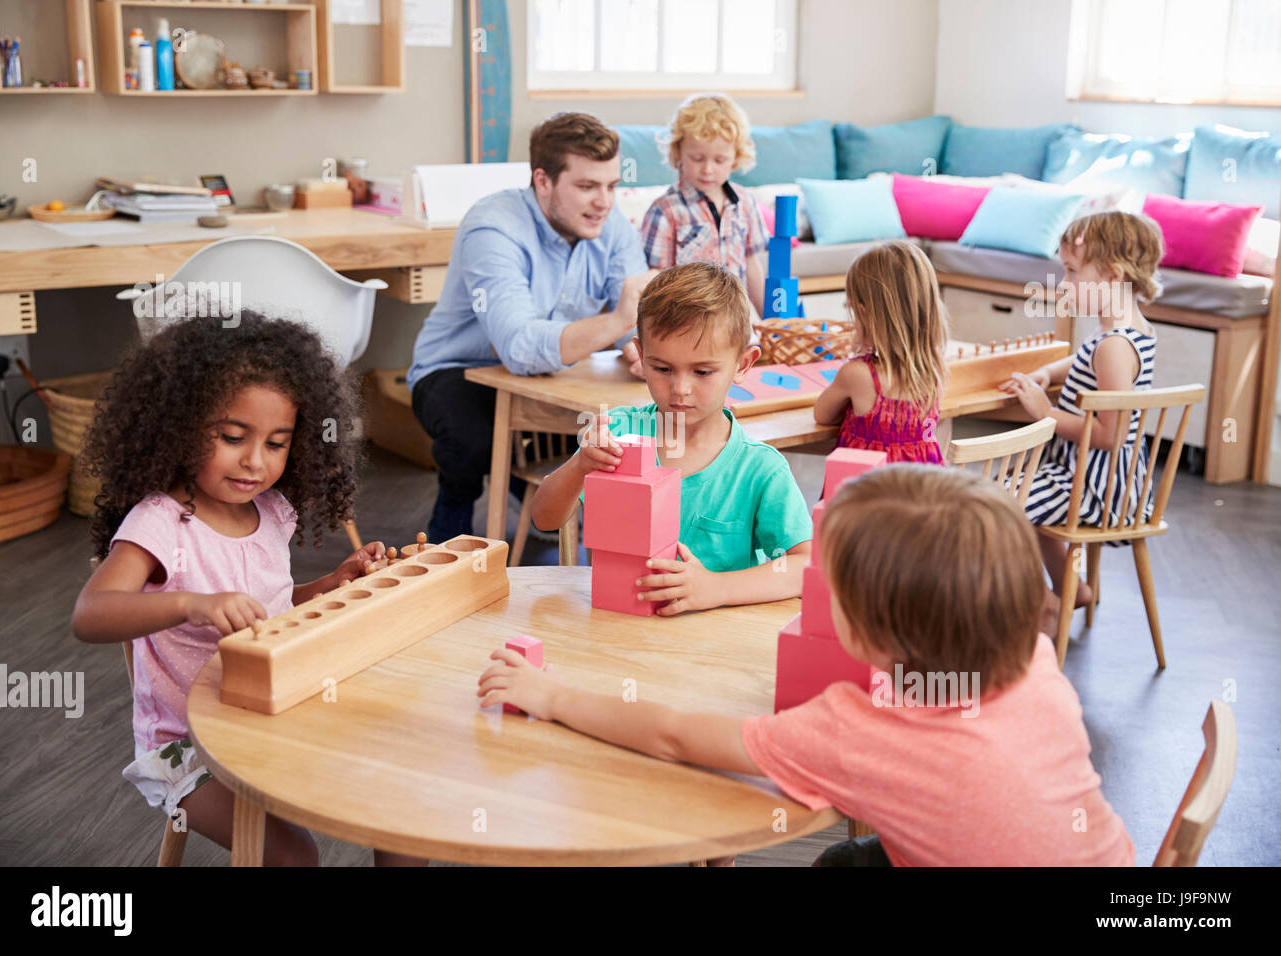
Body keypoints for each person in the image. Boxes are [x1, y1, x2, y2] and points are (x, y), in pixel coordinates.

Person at [478, 465, 1136, 866]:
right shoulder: (1033, 663)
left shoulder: (860, 730)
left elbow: (676, 735)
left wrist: (551, 695)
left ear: (865, 625)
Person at [71, 313, 421, 866]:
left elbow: (272, 611)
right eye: (233, 437)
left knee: (404, 805)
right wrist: (189, 603)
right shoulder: (160, 521)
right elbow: (89, 615)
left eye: (277, 443)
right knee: (293, 859)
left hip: (277, 707)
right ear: (180, 425)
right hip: (190, 748)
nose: (255, 461)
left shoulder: (271, 511)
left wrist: (332, 585)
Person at [407, 112, 658, 542]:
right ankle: (450, 525)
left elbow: (632, 318)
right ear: (542, 181)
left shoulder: (611, 225)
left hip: (555, 369)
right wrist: (620, 320)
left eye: (612, 186)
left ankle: (556, 505)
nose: (604, 202)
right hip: (455, 368)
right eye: (586, 186)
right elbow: (520, 348)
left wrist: (640, 348)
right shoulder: (493, 226)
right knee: (474, 436)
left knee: (628, 414)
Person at [530, 261, 812, 615]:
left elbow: (804, 565)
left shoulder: (760, 469)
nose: (680, 389)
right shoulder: (618, 435)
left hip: (711, 644)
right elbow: (544, 519)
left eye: (702, 371)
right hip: (616, 628)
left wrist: (717, 587)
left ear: (743, 365)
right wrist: (580, 467)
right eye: (662, 369)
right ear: (641, 355)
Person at [1002, 211, 1161, 625]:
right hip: (1090, 477)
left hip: (1094, 487)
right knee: (1008, 490)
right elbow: (1082, 360)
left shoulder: (1113, 346)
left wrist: (1045, 412)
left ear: (1111, 276)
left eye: (1072, 273)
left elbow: (1112, 434)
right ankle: (1071, 588)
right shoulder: (1121, 331)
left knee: (996, 505)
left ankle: (1046, 600)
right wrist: (1048, 373)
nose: (1066, 285)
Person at [813, 240, 948, 466]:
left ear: (865, 314)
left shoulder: (857, 374)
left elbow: (822, 415)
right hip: (922, 497)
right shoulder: (934, 373)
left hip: (866, 497)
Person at [637, 93, 769, 323]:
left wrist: (770, 321)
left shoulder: (745, 203)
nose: (707, 169)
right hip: (684, 325)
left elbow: (751, 266)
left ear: (735, 157)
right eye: (697, 158)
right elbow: (653, 283)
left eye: (719, 160)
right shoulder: (666, 211)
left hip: (735, 324)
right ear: (679, 153)